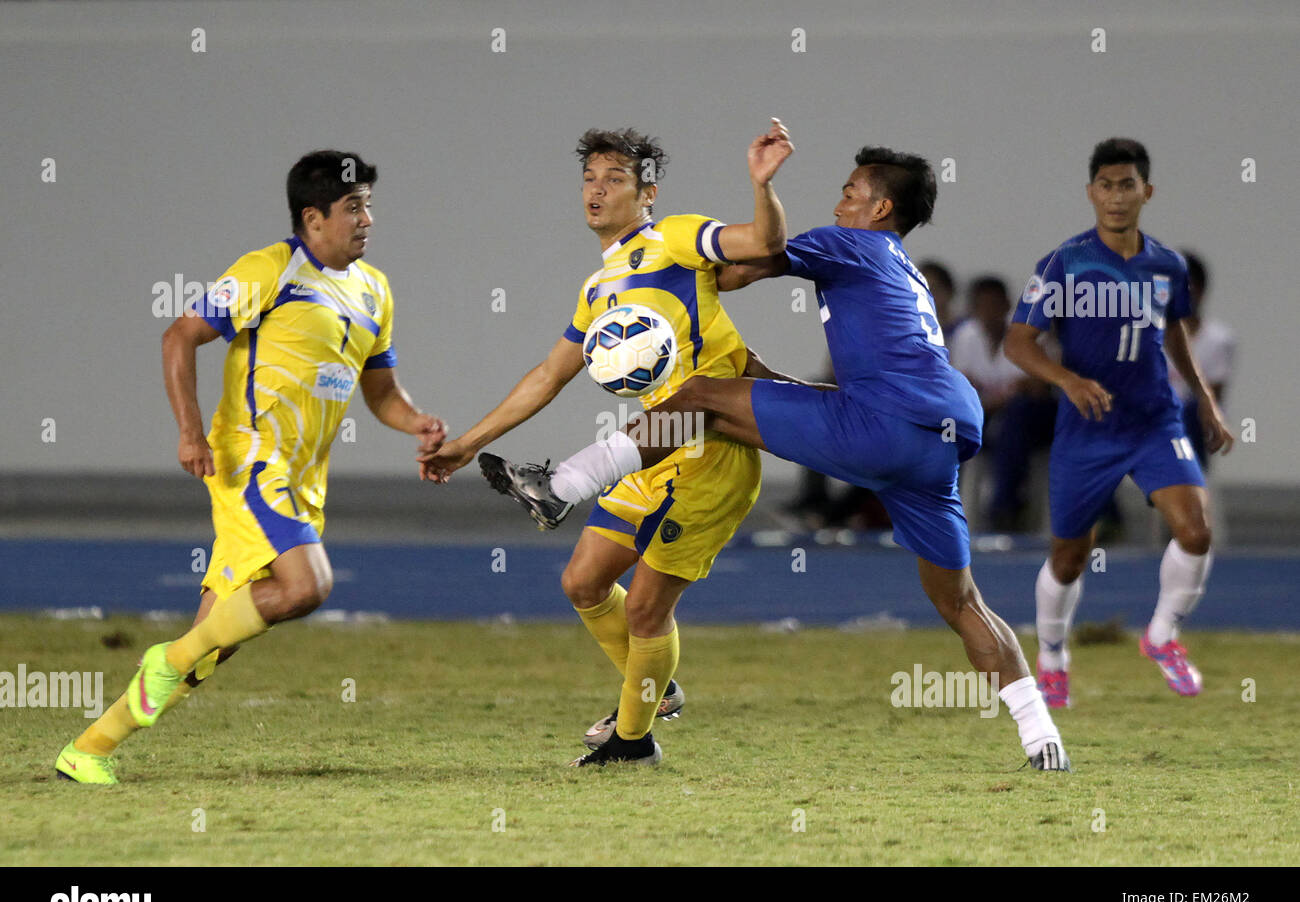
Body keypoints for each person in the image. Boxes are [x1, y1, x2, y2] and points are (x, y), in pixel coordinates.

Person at [482, 146, 1071, 771]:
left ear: (880, 207)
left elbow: (749, 258)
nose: (840, 202)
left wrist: (699, 252)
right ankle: (1042, 737)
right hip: (942, 433)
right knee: (962, 603)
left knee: (703, 396)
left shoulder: (852, 243)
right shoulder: (906, 269)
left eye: (850, 192)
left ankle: (566, 484)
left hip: (883, 423)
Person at [55, 151, 446, 784]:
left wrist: (419, 423)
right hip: (254, 464)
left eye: (369, 204)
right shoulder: (270, 270)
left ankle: (91, 747)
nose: (367, 218)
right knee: (306, 586)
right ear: (313, 218)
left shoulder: (375, 290)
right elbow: (179, 336)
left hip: (305, 481)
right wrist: (189, 432)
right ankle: (166, 656)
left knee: (215, 639)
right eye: (354, 207)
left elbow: (382, 393)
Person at [421, 122, 795, 767]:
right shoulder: (598, 287)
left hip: (709, 451)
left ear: (647, 195)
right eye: (590, 179)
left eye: (615, 179)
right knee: (583, 580)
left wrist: (761, 184)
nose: (597, 191)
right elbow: (548, 376)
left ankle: (632, 740)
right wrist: (466, 444)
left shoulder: (675, 240)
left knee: (648, 610)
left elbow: (764, 241)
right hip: (652, 451)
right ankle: (655, 690)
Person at [1003, 138, 1234, 709]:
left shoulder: (1167, 264)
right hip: (1087, 429)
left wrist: (1205, 399)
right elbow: (1017, 342)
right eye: (1105, 185)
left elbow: (1175, 331)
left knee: (1196, 531)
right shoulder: (1064, 263)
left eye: (1126, 184)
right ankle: (1052, 656)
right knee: (1068, 556)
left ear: (1145, 192)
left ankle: (1161, 636)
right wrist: (1067, 380)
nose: (1115, 195)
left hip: (1154, 419)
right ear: (1091, 193)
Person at [948, 276, 1056, 531]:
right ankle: (943, 507)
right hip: (987, 417)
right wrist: (1004, 396)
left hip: (1035, 420)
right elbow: (960, 391)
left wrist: (995, 399)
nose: (990, 312)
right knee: (949, 427)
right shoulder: (966, 336)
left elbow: (1038, 390)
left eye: (995, 305)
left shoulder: (1028, 332)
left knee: (1015, 417)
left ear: (1007, 304)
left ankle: (1005, 506)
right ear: (974, 308)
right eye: (983, 305)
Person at [1168, 252, 1234, 467]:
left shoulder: (1218, 338)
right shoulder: (1151, 335)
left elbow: (1214, 395)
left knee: (1192, 410)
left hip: (1194, 418)